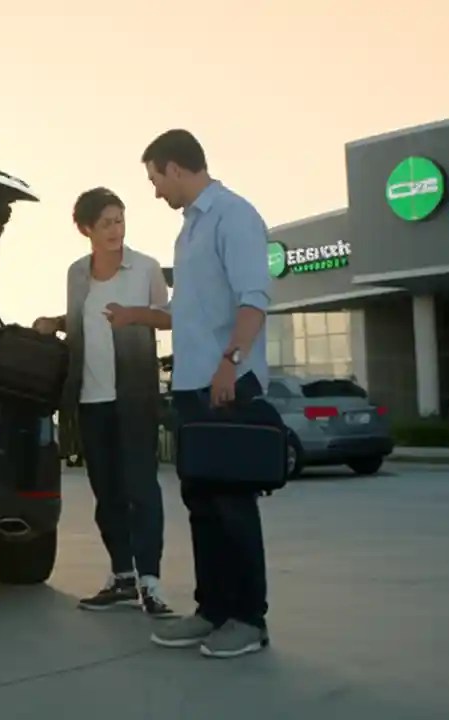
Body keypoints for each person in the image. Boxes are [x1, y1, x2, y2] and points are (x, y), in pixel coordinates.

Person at [140, 129, 274, 658]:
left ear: (176, 168)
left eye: (155, 179)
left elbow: (254, 300)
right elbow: (183, 311)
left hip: (227, 384)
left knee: (233, 505)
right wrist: (135, 316)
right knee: (201, 505)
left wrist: (230, 361)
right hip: (194, 388)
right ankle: (212, 611)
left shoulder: (234, 216)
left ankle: (248, 619)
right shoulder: (188, 231)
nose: (155, 192)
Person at [32, 187, 175, 617]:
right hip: (89, 399)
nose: (116, 229)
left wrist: (134, 315)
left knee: (141, 489)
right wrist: (54, 322)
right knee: (107, 493)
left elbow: (170, 317)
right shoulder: (77, 273)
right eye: (107, 222)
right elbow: (80, 323)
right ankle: (122, 577)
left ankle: (150, 581)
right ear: (86, 229)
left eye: (120, 219)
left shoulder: (146, 268)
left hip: (133, 396)